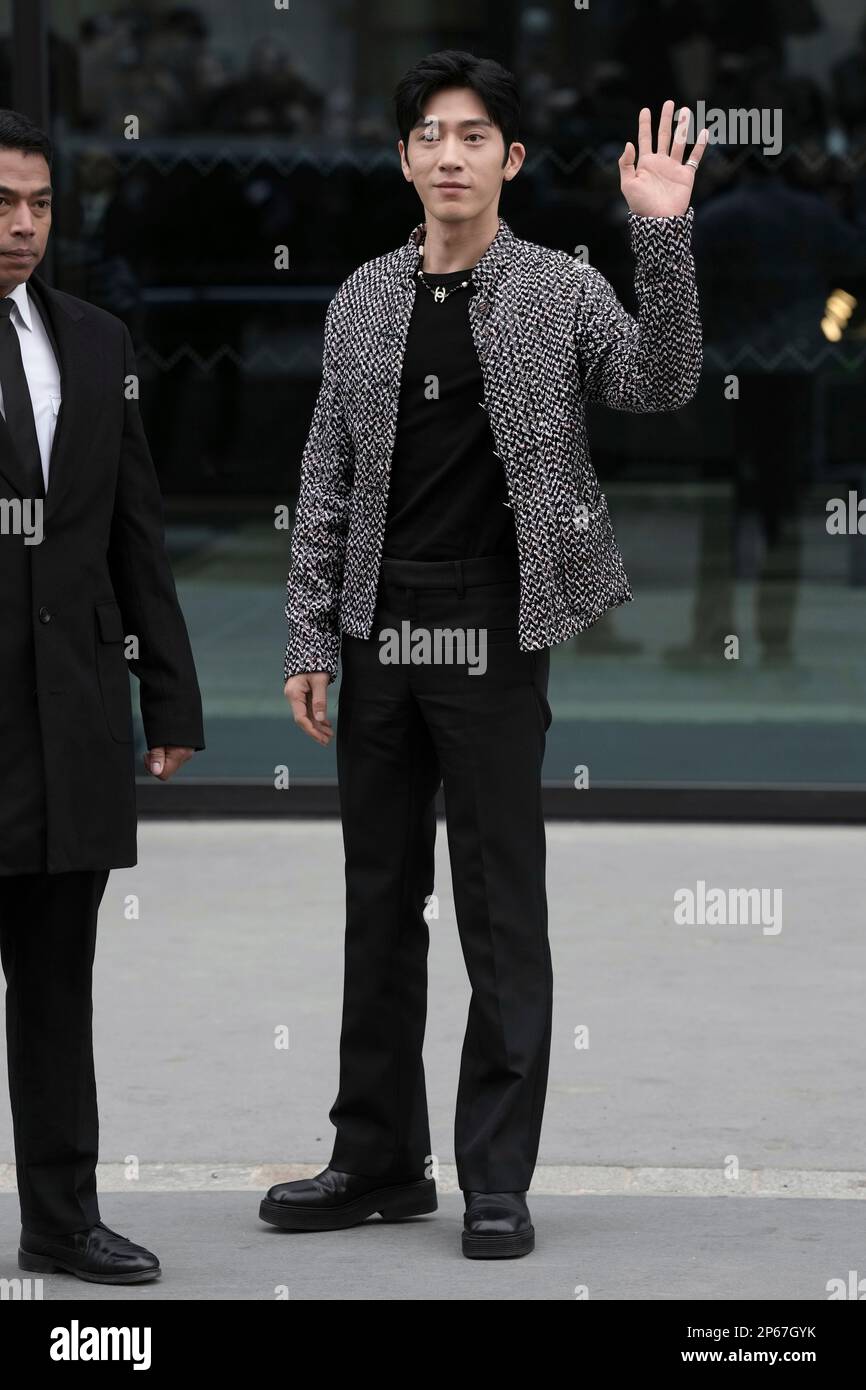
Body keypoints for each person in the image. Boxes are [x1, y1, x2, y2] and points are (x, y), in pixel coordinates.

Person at [265, 51, 703, 1259]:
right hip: (379, 625)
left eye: (473, 137)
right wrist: (311, 628)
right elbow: (326, 471)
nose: (448, 155)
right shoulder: (359, 296)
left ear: (509, 159)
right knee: (376, 903)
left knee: (498, 907)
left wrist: (656, 237)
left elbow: (660, 384)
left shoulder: (557, 289)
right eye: (428, 136)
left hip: (495, 625)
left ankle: (495, 1176)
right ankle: (373, 1158)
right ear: (404, 156)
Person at [0, 109, 204, 1284]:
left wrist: (166, 698)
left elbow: (137, 530)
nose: (23, 227)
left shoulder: (95, 338)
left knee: (55, 990)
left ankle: (61, 1221)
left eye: (38, 205)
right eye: (2, 205)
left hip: (67, 716)